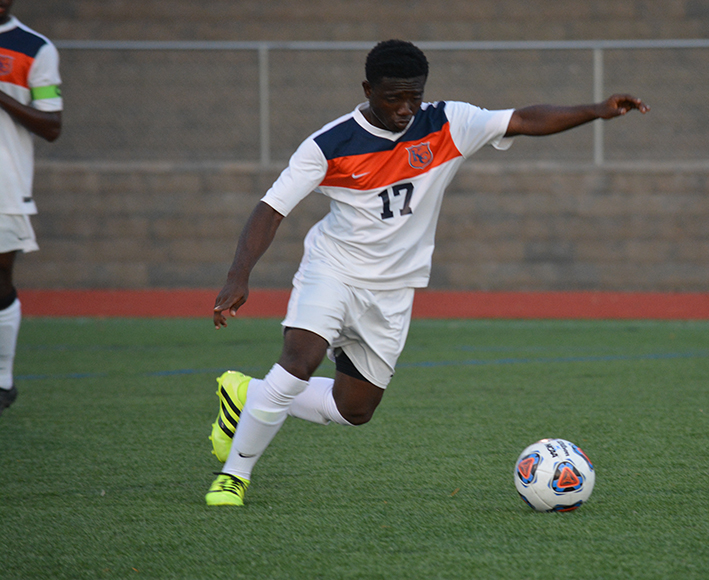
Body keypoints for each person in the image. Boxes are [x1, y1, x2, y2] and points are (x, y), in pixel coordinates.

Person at [205, 39, 648, 506]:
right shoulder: (329, 144)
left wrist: (596, 110)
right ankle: (235, 475)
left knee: (354, 408)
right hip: (333, 271)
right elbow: (271, 208)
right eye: (393, 97)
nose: (405, 108)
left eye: (414, 97)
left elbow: (523, 119)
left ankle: (246, 395)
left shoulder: (447, 123)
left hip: (395, 290)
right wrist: (239, 275)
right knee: (297, 363)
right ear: (368, 89)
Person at [0, 0, 62, 418]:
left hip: (4, 187)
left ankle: (2, 378)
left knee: (0, 279)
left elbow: (52, 124)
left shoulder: (33, 47)